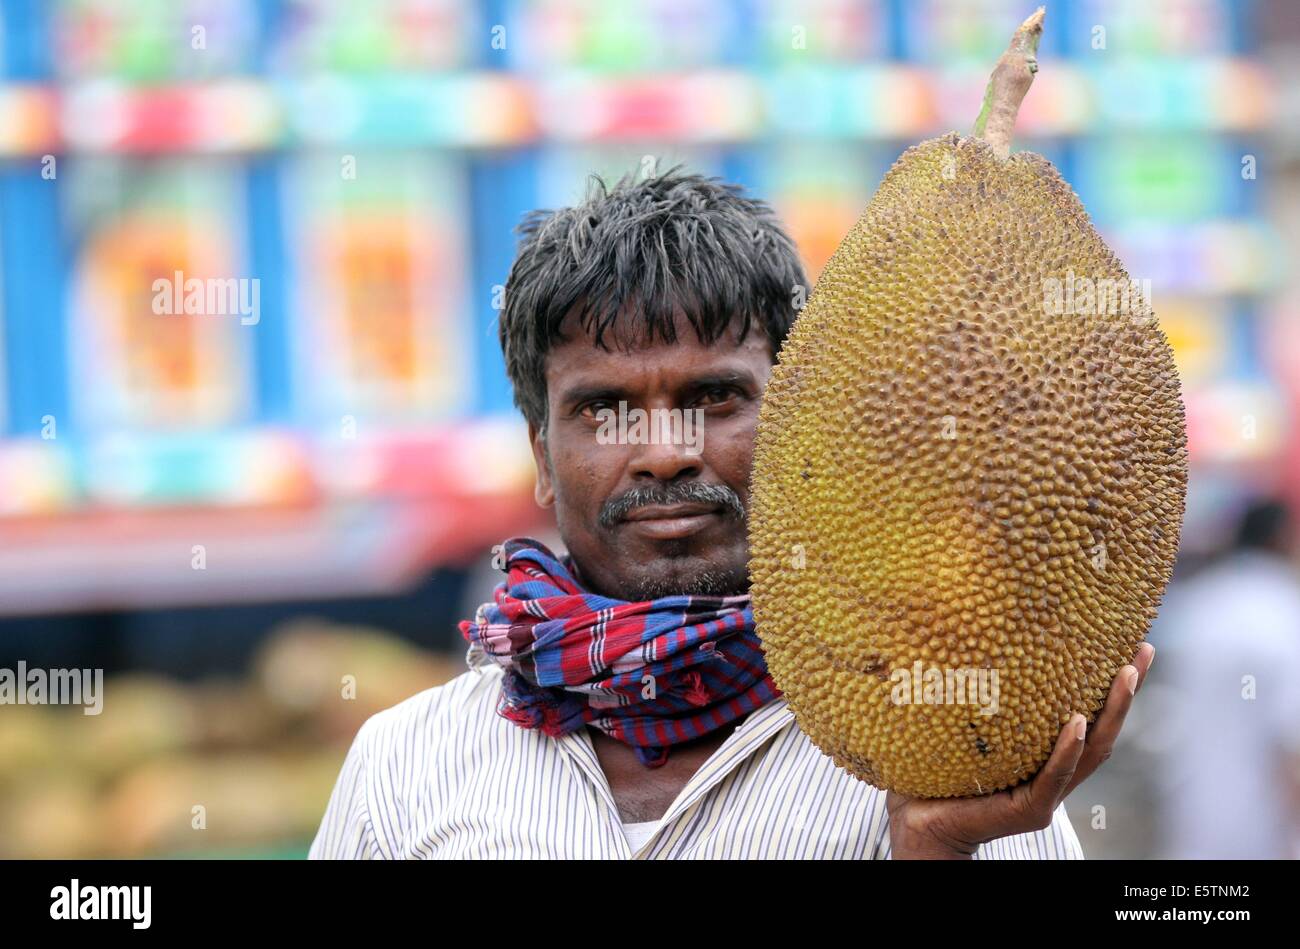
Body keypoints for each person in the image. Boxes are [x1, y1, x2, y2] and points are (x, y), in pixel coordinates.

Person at [310, 168, 1151, 859]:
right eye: (606, 410)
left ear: (797, 425)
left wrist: (931, 849)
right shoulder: (406, 769)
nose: (665, 450)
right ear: (540, 453)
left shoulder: (938, 751)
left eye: (713, 397)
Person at [1156, 499, 1300, 858]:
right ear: (1281, 538)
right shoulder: (1285, 612)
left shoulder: (1199, 605)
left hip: (1189, 806)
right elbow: (1289, 742)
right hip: (1261, 828)